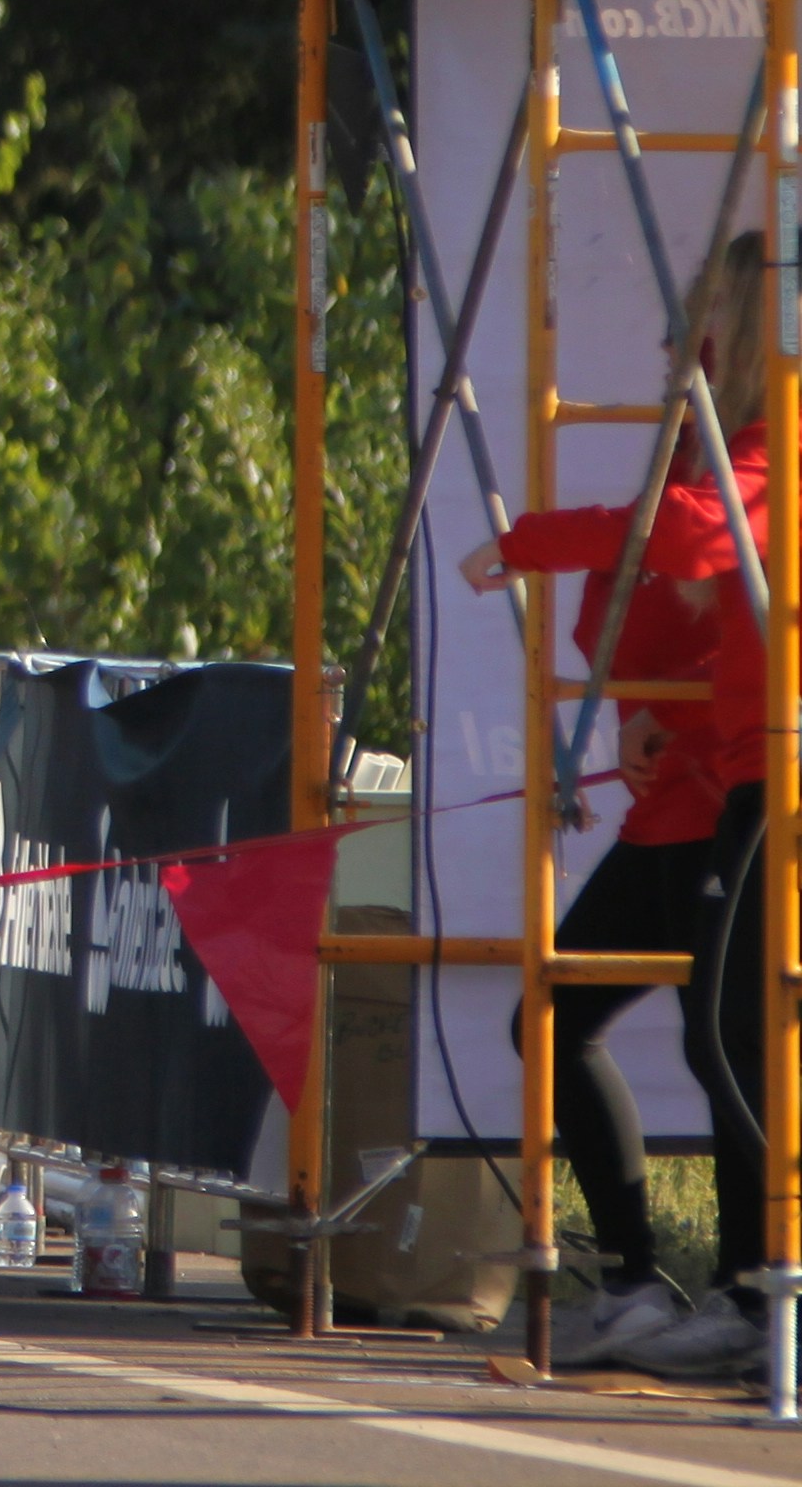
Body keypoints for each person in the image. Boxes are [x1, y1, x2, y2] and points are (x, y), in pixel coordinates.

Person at [463, 233, 770, 1377]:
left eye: (703, 322)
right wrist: (644, 710)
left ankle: (751, 1291)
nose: (676, 346)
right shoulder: (703, 443)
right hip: (689, 794)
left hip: (740, 789)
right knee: (561, 1017)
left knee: (730, 1037)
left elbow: (700, 551)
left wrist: (530, 541)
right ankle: (647, 1280)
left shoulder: (764, 442)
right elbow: (629, 606)